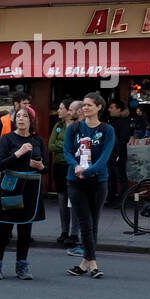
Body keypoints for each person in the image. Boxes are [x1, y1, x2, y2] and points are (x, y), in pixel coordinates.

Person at [0, 106, 47, 279]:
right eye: (18, 116)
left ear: (31, 120)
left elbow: (46, 168)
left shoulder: (38, 140)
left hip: (30, 187)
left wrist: (41, 166)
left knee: (25, 228)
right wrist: (18, 153)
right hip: (10, 185)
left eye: (25, 116)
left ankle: (22, 264)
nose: (21, 119)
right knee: (4, 226)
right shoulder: (7, 139)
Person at [64, 91, 115, 279]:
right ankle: (93, 264)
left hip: (98, 181)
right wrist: (76, 167)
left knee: (94, 222)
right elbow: (67, 150)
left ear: (99, 108)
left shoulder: (107, 130)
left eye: (89, 105)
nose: (85, 108)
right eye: (84, 105)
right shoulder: (74, 128)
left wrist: (88, 171)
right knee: (85, 221)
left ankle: (84, 263)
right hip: (75, 181)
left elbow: (104, 157)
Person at [49, 98, 82, 250]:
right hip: (59, 166)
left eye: (62, 108)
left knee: (74, 201)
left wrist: (64, 147)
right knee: (62, 200)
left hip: (74, 167)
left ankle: (74, 233)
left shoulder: (78, 126)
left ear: (71, 110)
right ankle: (64, 231)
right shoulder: (58, 126)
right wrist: (66, 147)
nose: (59, 111)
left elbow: (76, 146)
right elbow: (50, 145)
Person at [106, 98, 132, 206]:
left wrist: (116, 150)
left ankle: (122, 199)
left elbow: (124, 139)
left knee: (120, 177)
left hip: (118, 154)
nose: (109, 110)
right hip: (111, 153)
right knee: (110, 176)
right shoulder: (111, 120)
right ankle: (110, 198)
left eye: (112, 108)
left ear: (119, 109)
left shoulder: (123, 121)